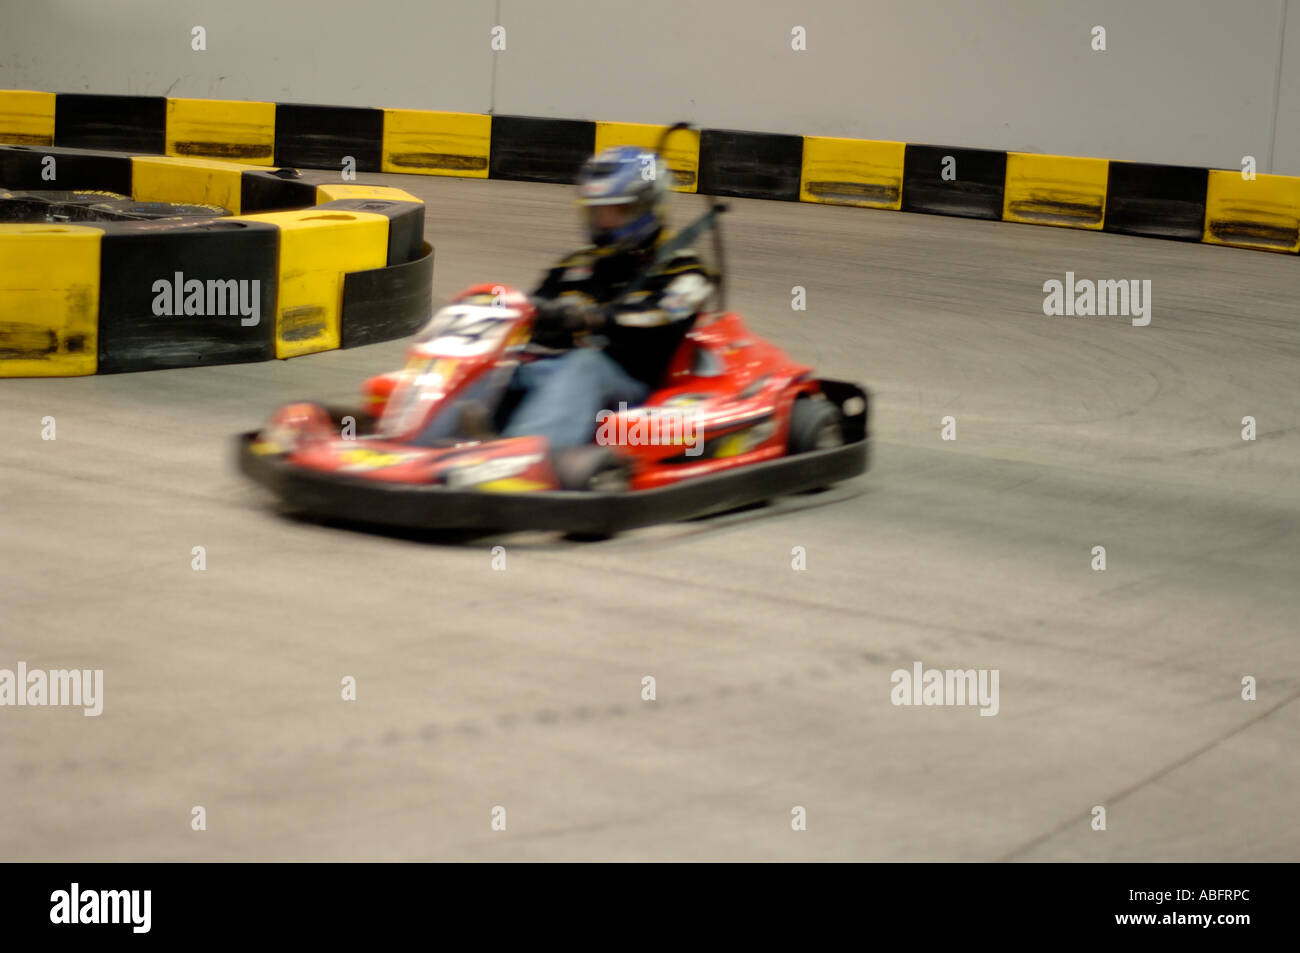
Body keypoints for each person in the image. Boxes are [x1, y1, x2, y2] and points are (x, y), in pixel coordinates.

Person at [488, 146, 715, 450]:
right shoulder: (575, 266)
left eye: (617, 210)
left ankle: (523, 456)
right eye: (597, 211)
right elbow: (533, 306)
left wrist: (594, 318)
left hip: (635, 390)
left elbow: (663, 314)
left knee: (586, 364)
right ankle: (442, 444)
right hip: (559, 373)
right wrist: (525, 313)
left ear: (648, 207)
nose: (604, 221)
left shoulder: (683, 268)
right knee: (497, 367)